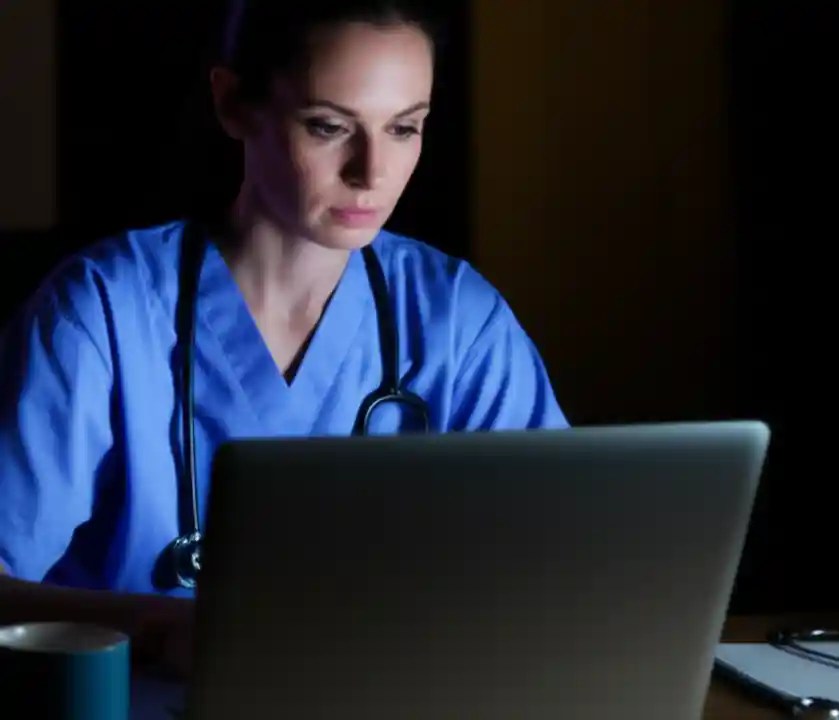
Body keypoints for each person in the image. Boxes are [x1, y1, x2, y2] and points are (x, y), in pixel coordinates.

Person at [0, 0, 567, 674]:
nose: (372, 172)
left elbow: (559, 561)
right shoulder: (102, 310)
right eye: (329, 127)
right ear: (235, 104)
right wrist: (162, 627)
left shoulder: (458, 321)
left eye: (405, 128)